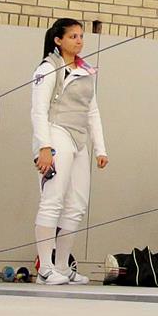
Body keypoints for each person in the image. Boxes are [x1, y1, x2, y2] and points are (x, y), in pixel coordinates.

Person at [30, 18, 108, 285]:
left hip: (79, 140)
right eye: (73, 36)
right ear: (58, 40)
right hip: (56, 134)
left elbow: (92, 112)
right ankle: (45, 268)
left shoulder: (86, 70)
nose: (79, 41)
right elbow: (38, 111)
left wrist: (100, 148)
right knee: (52, 200)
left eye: (81, 36)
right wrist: (44, 147)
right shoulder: (47, 68)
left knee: (76, 205)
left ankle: (62, 266)